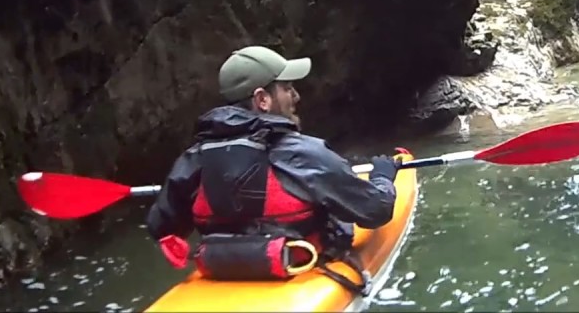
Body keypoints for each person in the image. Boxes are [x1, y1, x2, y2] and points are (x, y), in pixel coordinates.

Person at [146, 45, 401, 284]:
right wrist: (382, 177)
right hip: (301, 271)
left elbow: (161, 227)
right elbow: (375, 210)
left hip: (221, 277)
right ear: (262, 99)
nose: (296, 96)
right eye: (287, 88)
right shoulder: (304, 153)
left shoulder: (195, 158)